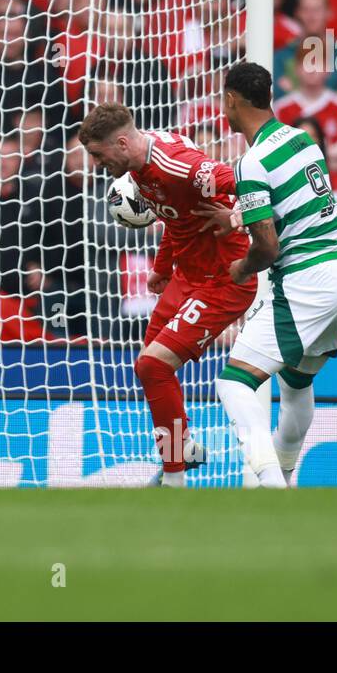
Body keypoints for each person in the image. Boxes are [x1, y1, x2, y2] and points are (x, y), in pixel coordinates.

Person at [195, 62, 337, 488]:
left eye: (223, 100)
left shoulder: (251, 162)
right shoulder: (303, 139)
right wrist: (237, 219)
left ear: (231, 100)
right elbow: (294, 207)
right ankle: (286, 473)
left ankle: (268, 478)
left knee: (235, 382)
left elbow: (268, 248)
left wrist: (242, 267)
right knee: (296, 381)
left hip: (307, 280)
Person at [78, 104, 257, 488]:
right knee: (149, 364)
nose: (96, 163)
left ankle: (174, 479)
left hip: (225, 279)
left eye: (97, 154)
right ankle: (183, 445)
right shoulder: (138, 164)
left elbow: (252, 185)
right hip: (187, 274)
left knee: (152, 366)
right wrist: (162, 266)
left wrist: (236, 217)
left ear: (122, 143)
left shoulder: (178, 165)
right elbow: (176, 218)